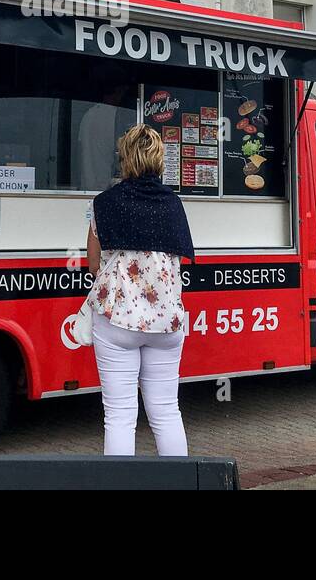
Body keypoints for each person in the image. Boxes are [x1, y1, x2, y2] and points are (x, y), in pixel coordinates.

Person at [85, 124, 194, 456]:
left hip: (117, 321)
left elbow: (93, 265)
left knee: (119, 416)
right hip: (166, 324)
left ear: (125, 159)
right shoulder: (173, 204)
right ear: (159, 160)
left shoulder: (104, 203)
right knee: (166, 412)